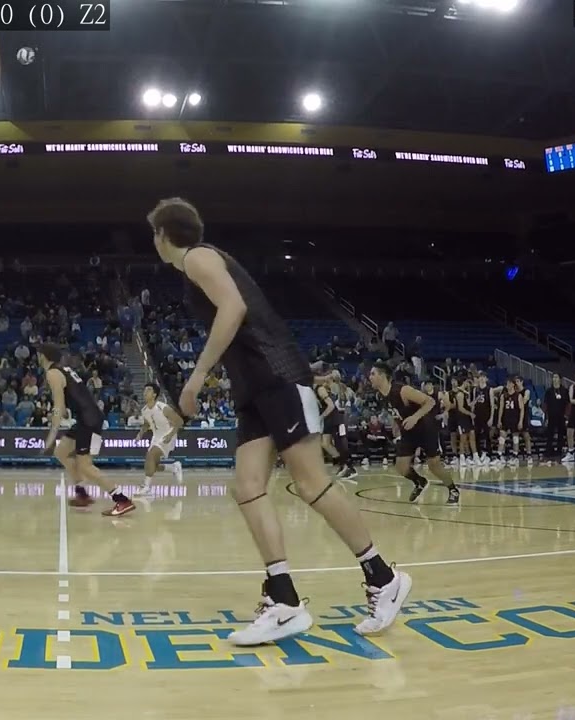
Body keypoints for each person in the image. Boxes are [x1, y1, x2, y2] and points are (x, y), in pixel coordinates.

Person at [149, 197, 410, 646]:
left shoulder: (197, 257)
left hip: (278, 378)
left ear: (162, 235)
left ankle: (383, 577)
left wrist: (195, 377)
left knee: (312, 483)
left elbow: (233, 309)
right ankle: (285, 601)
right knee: (247, 488)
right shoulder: (201, 263)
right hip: (253, 389)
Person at [38, 344, 133, 517]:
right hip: (86, 418)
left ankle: (122, 499)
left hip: (89, 420)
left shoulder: (52, 373)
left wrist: (51, 437)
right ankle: (82, 493)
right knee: (61, 452)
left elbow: (59, 407)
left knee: (86, 466)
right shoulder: (63, 370)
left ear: (43, 356)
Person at [368, 363, 460, 505]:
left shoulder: (402, 390)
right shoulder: (380, 396)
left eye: (373, 374)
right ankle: (420, 482)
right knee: (401, 466)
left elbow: (430, 401)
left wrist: (415, 417)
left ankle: (453, 489)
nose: (370, 377)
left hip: (425, 428)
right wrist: (396, 429)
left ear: (382, 375)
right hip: (408, 432)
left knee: (433, 465)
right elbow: (396, 413)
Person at [134, 382, 185, 494]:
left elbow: (179, 421)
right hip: (156, 436)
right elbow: (147, 424)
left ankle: (146, 487)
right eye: (145, 390)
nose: (145, 392)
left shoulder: (162, 407)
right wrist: (140, 434)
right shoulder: (144, 410)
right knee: (151, 465)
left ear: (154, 394)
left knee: (150, 455)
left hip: (168, 434)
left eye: (148, 390)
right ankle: (173, 467)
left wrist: (170, 435)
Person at [316, 377, 356, 480]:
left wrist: (321, 417)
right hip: (328, 421)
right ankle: (343, 464)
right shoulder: (315, 390)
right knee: (325, 444)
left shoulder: (319, 389)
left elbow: (331, 406)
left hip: (335, 419)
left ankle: (350, 467)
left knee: (340, 444)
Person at [495, 377, 523, 464]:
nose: (507, 385)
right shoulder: (504, 395)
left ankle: (515, 456)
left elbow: (522, 409)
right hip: (505, 418)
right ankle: (499, 456)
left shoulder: (518, 395)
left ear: (513, 384)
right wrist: (499, 420)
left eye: (509, 383)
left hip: (514, 419)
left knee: (515, 438)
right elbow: (501, 409)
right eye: (507, 384)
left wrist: (520, 421)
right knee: (502, 437)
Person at [542, 374, 568, 463]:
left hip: (561, 416)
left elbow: (567, 404)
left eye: (556, 377)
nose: (554, 379)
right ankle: (548, 451)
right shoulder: (549, 391)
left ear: (560, 379)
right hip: (551, 415)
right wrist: (545, 417)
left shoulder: (564, 391)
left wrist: (566, 416)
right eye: (553, 377)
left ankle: (559, 451)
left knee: (561, 434)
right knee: (550, 434)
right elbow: (545, 404)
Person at [451, 376, 476, 466]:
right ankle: (462, 458)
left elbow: (468, 404)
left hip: (466, 418)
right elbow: (461, 408)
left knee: (471, 436)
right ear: (464, 382)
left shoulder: (465, 393)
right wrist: (470, 413)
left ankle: (472, 456)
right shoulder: (460, 394)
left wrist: (475, 401)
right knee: (463, 438)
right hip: (461, 418)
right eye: (467, 382)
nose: (468, 384)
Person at [470, 372, 493, 465]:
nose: (482, 379)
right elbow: (473, 404)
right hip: (477, 415)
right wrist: (472, 414)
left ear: (486, 379)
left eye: (484, 377)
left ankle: (488, 454)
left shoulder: (489, 390)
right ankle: (478, 454)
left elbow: (492, 405)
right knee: (477, 435)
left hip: (486, 415)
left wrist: (491, 418)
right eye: (480, 377)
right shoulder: (476, 390)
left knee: (487, 435)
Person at [514, 376, 534, 463]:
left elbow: (524, 401)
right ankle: (515, 455)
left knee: (526, 435)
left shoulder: (526, 391)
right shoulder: (514, 392)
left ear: (522, 382)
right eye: (515, 382)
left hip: (524, 415)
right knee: (515, 435)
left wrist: (517, 400)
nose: (516, 383)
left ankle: (529, 454)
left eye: (518, 381)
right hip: (515, 415)